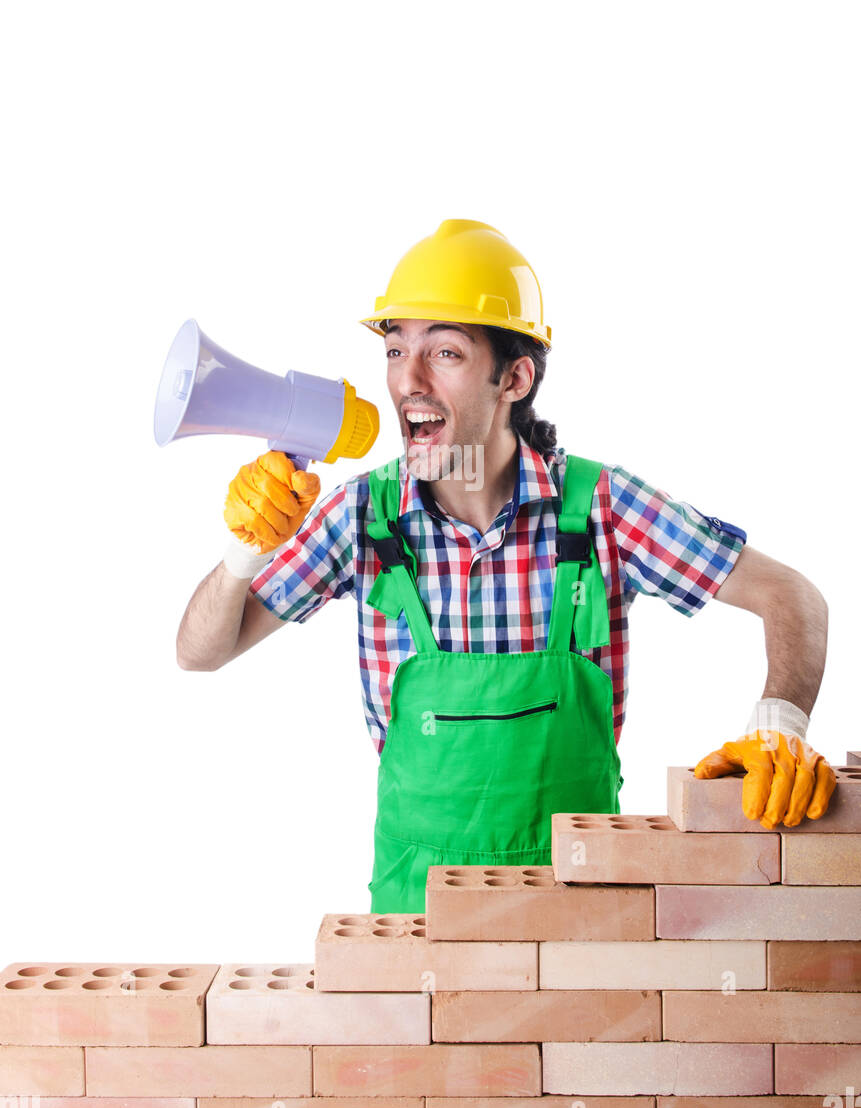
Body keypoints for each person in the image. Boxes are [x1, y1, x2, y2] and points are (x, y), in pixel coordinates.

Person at [176, 219, 835, 913]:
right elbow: (200, 653)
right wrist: (242, 551)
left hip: (585, 919)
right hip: (414, 926)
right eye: (396, 348)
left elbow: (791, 596)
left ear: (514, 377)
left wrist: (778, 725)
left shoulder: (602, 509)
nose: (408, 379)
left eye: (445, 353)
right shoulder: (357, 517)